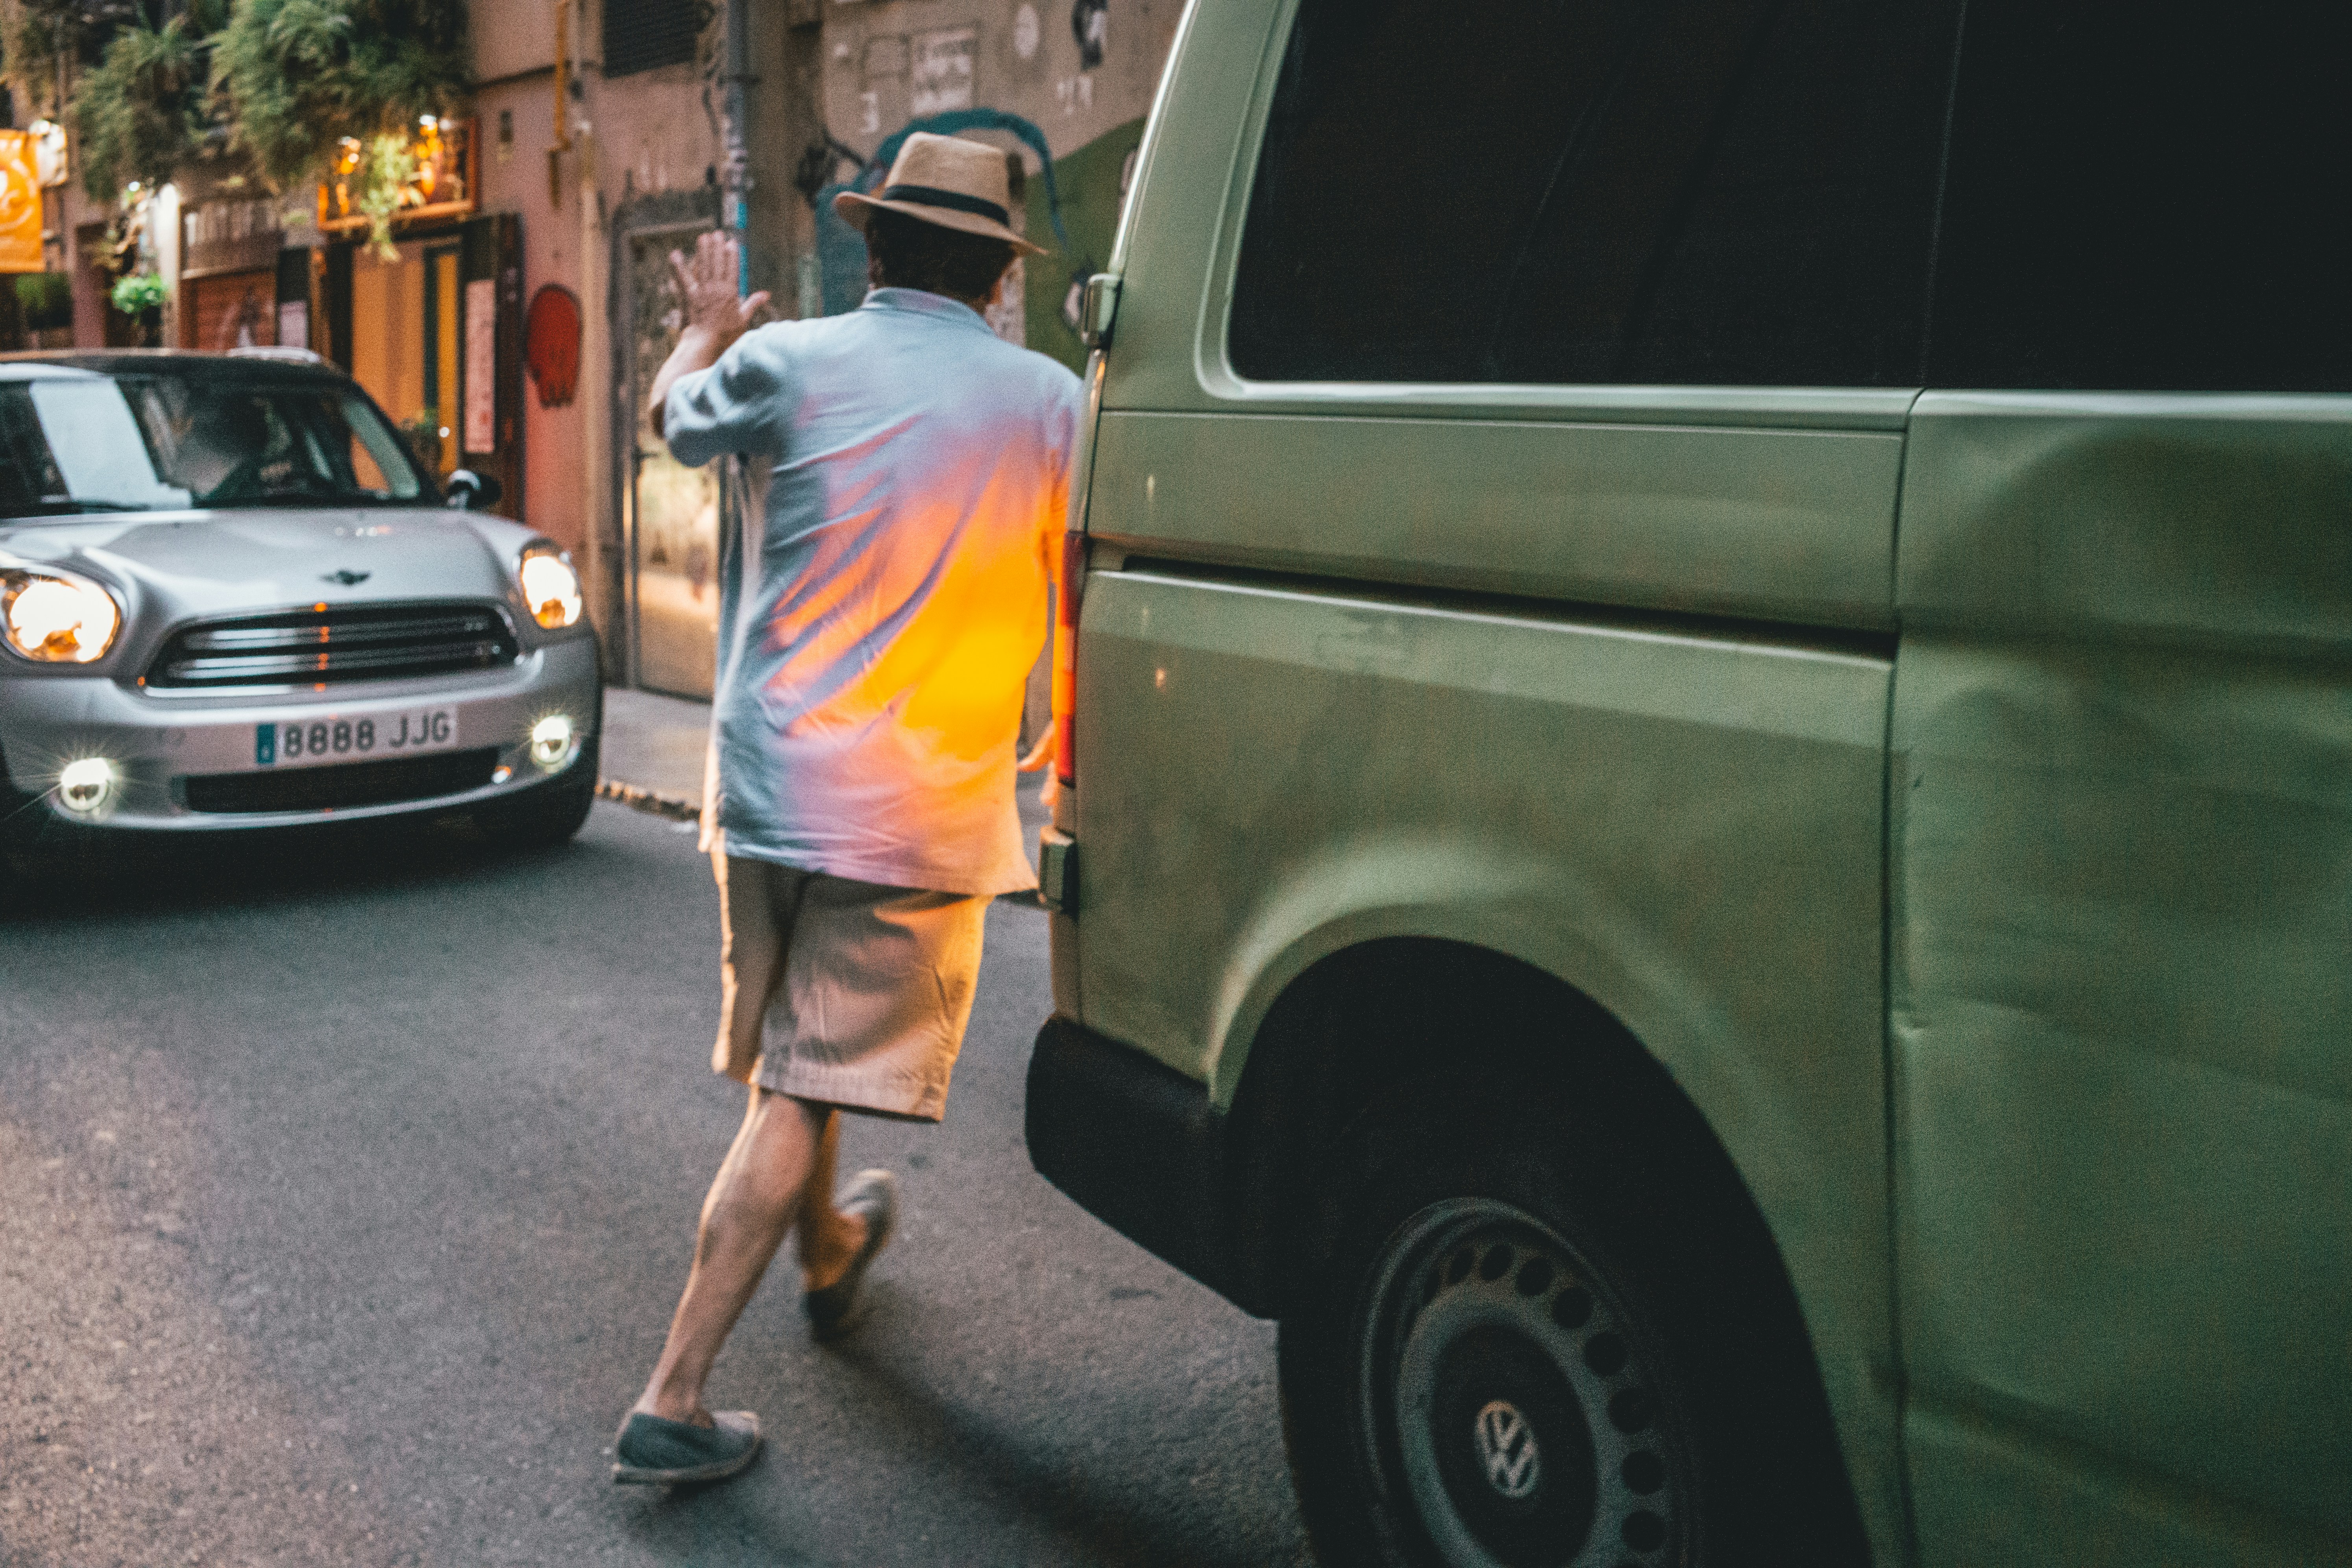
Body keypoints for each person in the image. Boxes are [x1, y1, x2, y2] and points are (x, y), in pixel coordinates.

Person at [610, 133, 1083, 1488]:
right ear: (1000, 274)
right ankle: (675, 1394)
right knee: (808, 1091)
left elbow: (671, 422)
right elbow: (1077, 586)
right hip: (912, 808)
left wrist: (701, 328)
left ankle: (828, 1252)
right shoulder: (1049, 401)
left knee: (798, 1067)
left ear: (870, 250)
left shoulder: (790, 360)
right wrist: (1067, 747)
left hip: (763, 788)